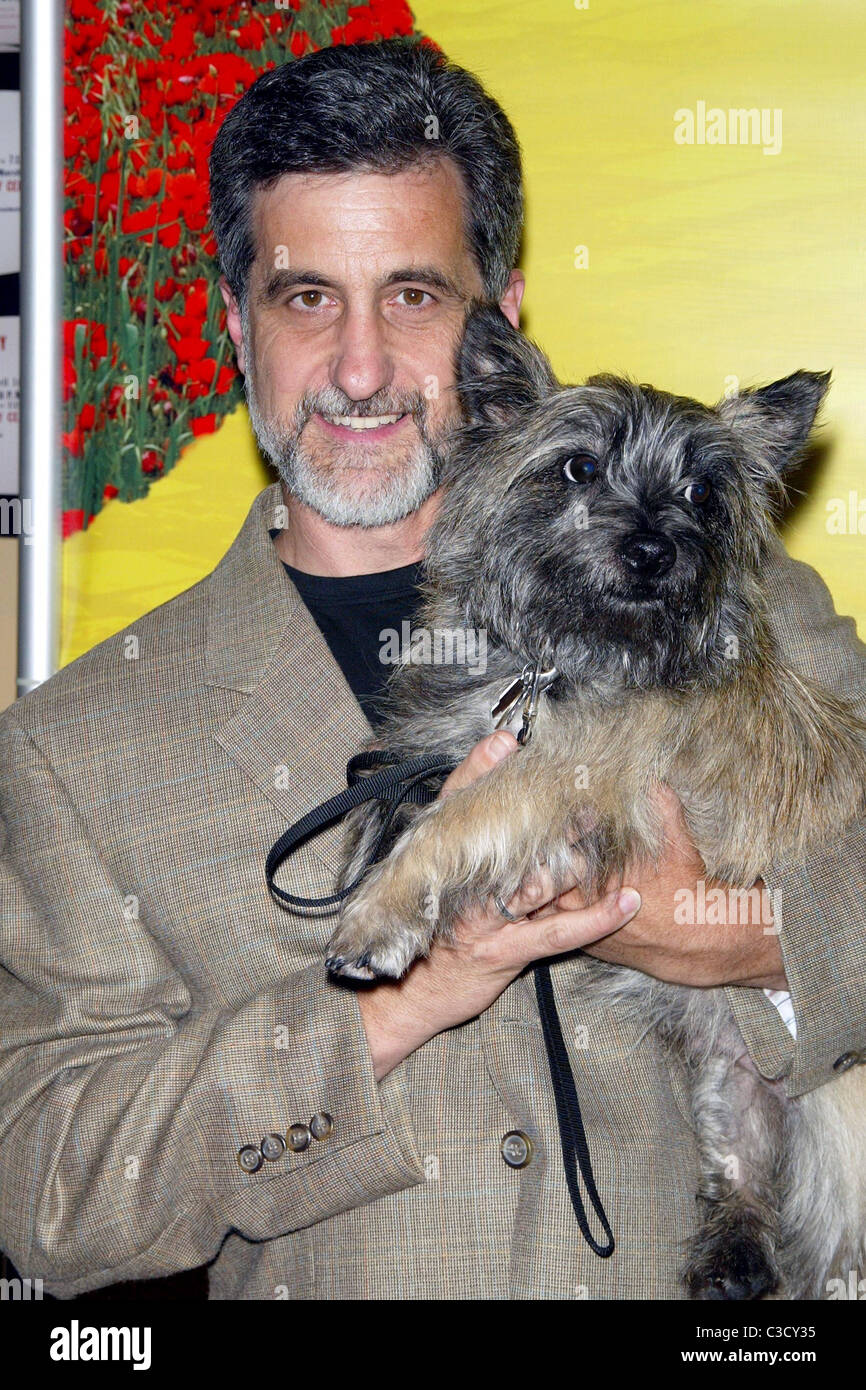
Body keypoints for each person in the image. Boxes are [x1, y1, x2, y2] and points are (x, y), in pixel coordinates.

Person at [1, 39, 864, 1301]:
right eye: (306, 299)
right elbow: (51, 1188)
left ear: (498, 321)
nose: (358, 370)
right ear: (235, 323)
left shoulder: (747, 605)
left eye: (411, 296)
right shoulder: (79, 743)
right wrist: (396, 1003)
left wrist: (734, 939)